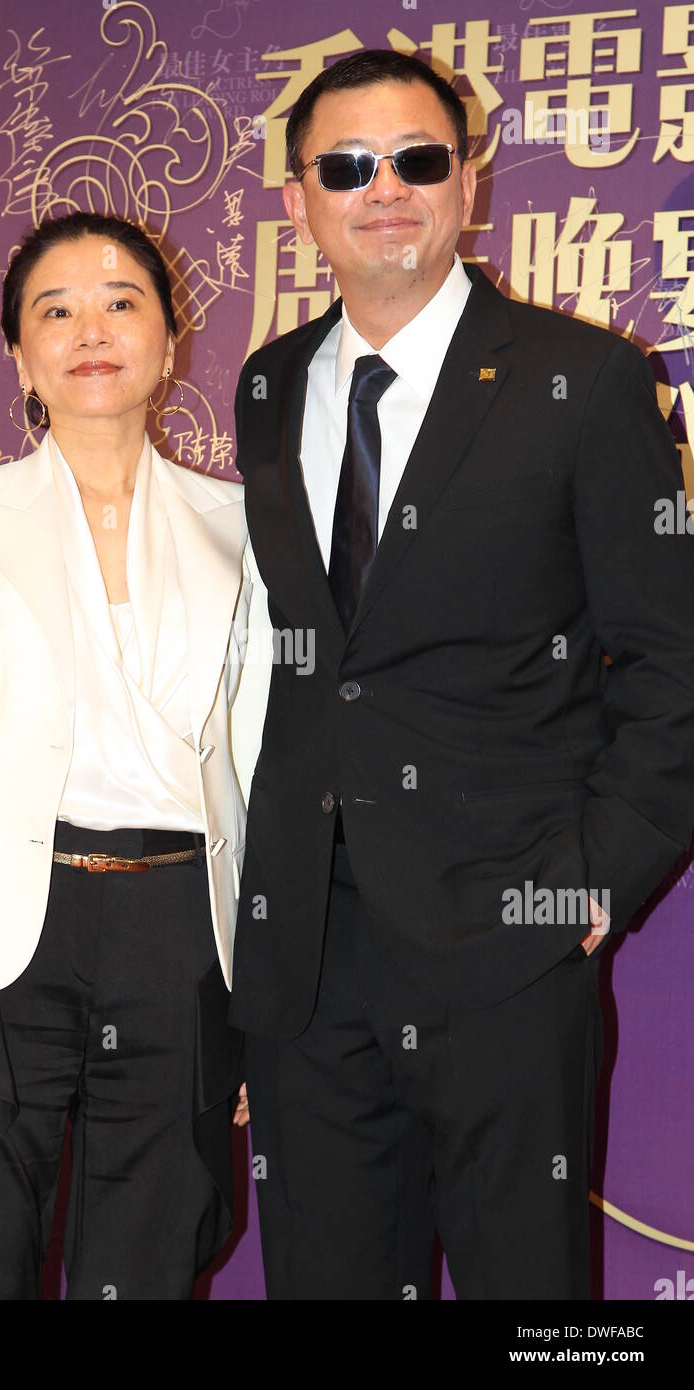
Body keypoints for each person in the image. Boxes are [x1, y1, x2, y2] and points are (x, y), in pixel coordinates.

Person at [228, 50, 694, 1299]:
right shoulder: (267, 386)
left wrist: (593, 882)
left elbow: (672, 659)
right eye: (345, 166)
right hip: (308, 959)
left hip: (507, 939)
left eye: (417, 159)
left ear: (468, 179)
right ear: (298, 202)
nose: (384, 188)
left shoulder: (584, 379)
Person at [0, 211, 267, 1299]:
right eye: (55, 309)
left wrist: (269, 996)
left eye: (122, 302)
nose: (91, 329)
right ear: (17, 352)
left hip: (180, 945)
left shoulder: (241, 524)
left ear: (170, 342)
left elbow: (262, 775)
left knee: (157, 1254)